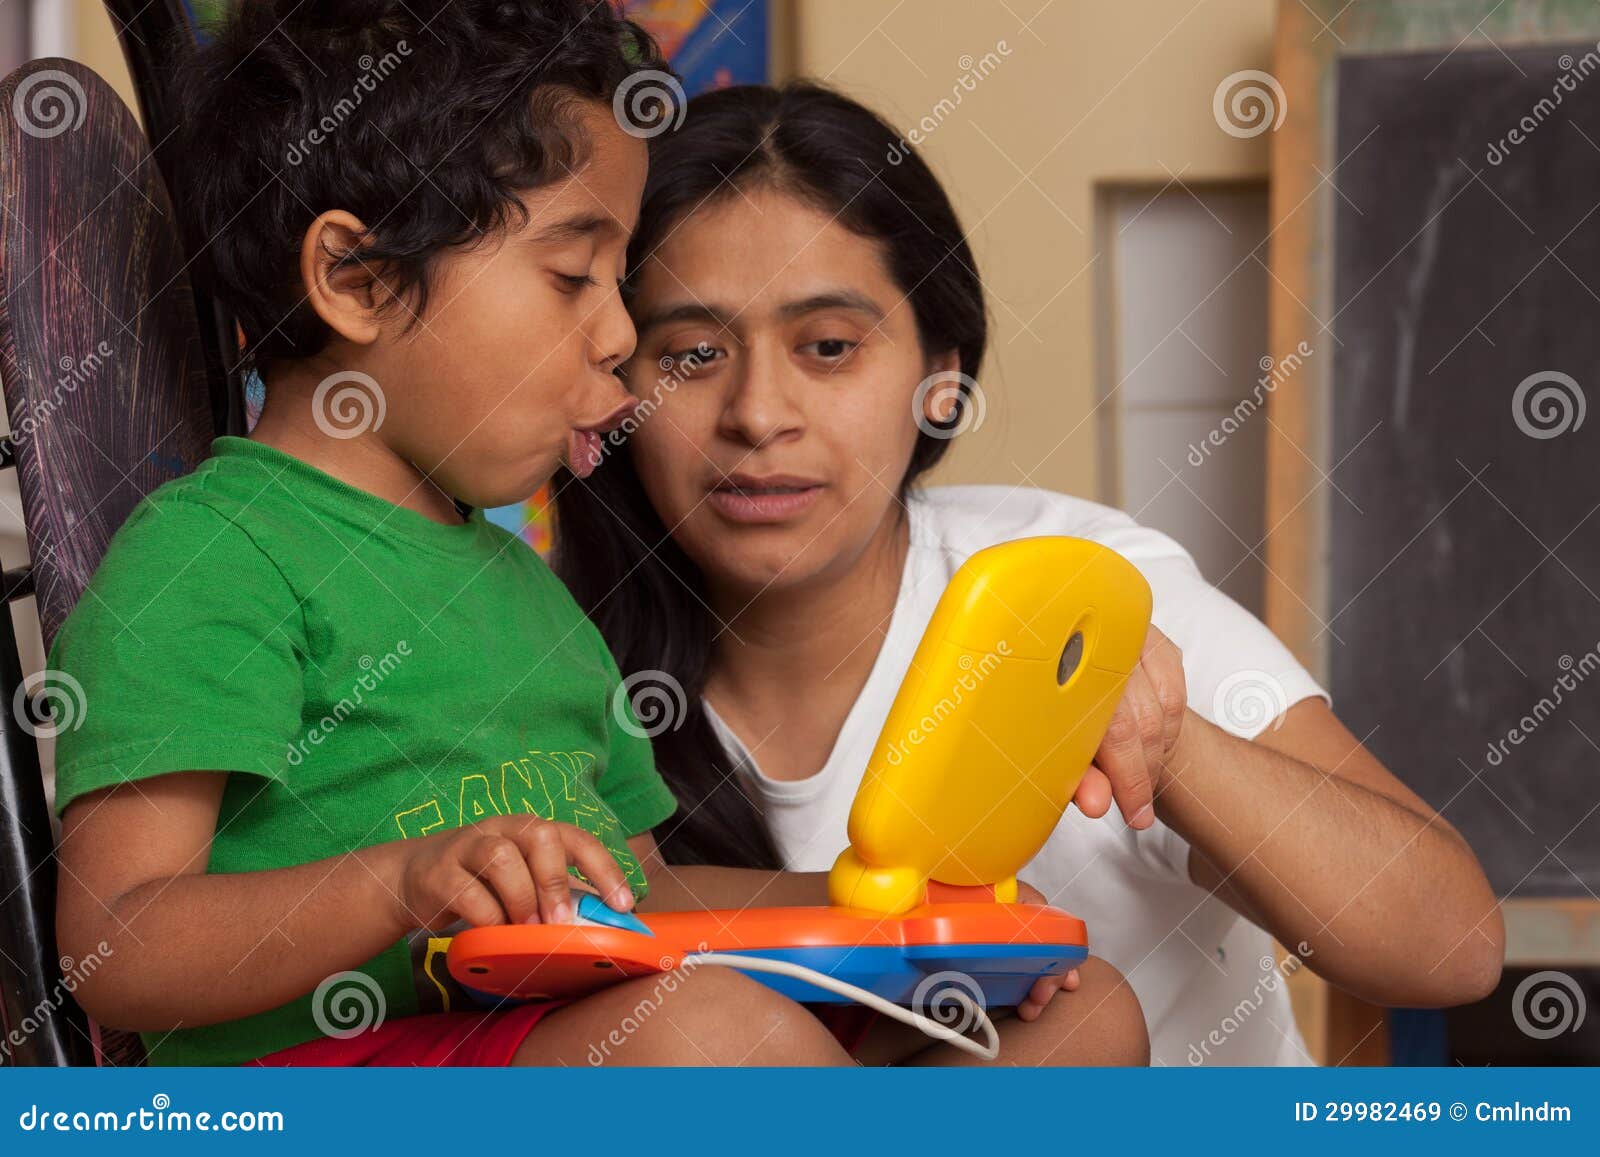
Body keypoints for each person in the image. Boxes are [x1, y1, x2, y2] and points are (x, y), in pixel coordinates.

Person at [48, 4, 1142, 1068]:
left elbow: (641, 893)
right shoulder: (215, 556)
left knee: (1077, 1014)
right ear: (358, 278)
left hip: (583, 1040)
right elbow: (115, 949)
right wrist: (401, 883)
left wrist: (884, 908)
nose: (621, 334)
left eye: (618, 286)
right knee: (705, 1035)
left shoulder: (525, 592)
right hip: (332, 1079)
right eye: (573, 277)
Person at [554, 81, 1507, 1066]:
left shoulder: (1078, 588)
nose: (758, 413)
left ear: (940, 377)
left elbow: (1453, 947)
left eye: (828, 347)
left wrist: (1164, 741)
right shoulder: (544, 654)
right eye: (692, 356)